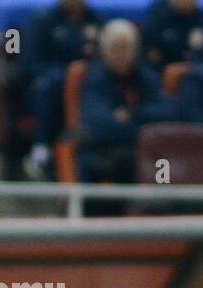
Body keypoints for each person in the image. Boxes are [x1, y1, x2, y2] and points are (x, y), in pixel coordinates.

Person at [78, 18, 177, 189]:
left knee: (169, 162)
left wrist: (131, 114)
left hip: (145, 150)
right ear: (104, 51)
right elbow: (97, 125)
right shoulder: (95, 78)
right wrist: (144, 130)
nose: (122, 55)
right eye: (117, 48)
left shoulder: (146, 77)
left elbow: (168, 113)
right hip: (106, 151)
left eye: (127, 48)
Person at [19, 0, 102, 181]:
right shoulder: (42, 20)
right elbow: (27, 67)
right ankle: (41, 150)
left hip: (87, 87)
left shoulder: (95, 21)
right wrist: (67, 74)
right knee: (48, 85)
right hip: (49, 86)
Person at [141, 0, 203, 67]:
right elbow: (150, 53)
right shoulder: (157, 16)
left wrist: (197, 49)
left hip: (193, 70)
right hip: (161, 68)